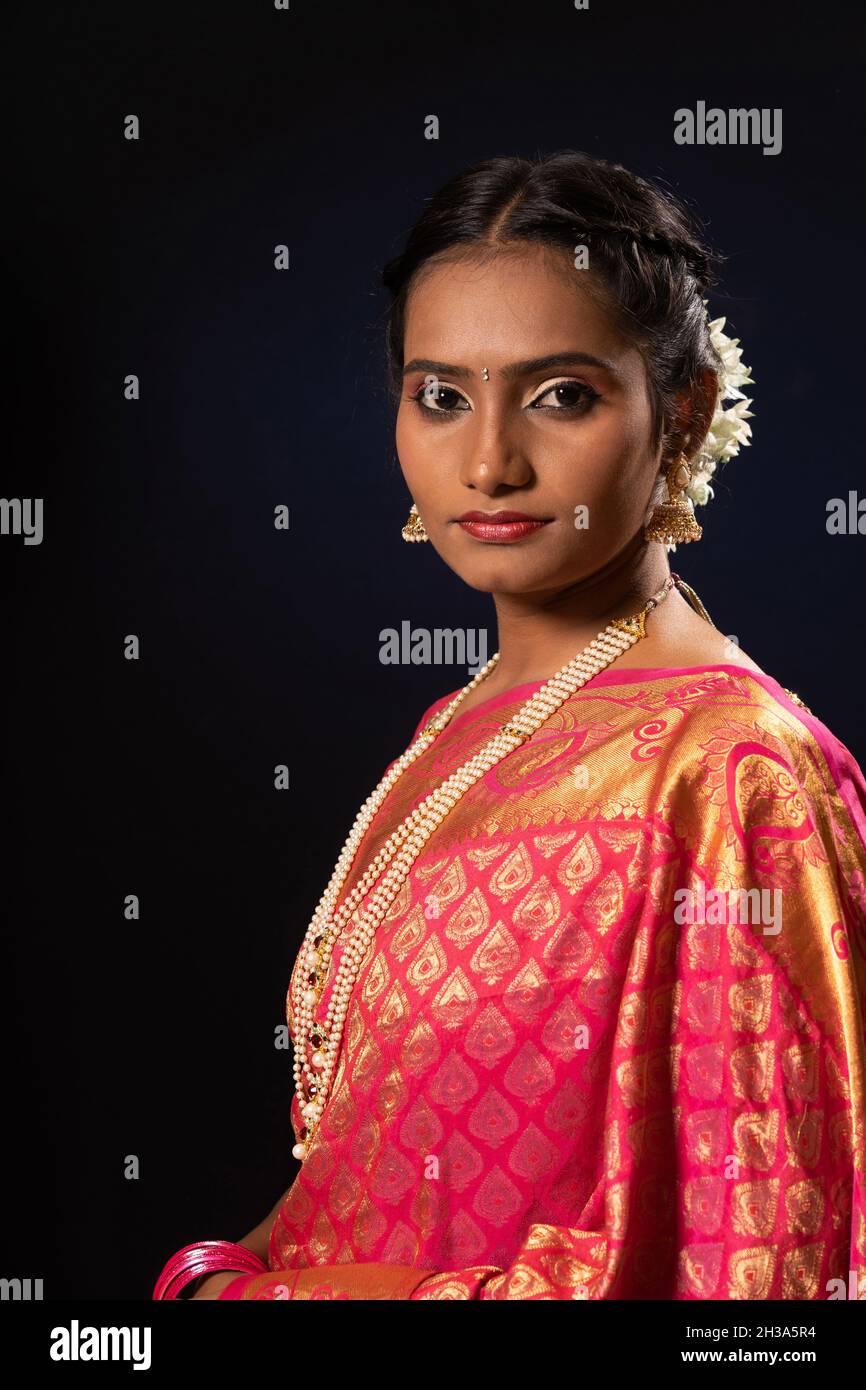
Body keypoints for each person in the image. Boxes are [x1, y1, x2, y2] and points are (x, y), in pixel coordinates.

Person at [157, 150, 866, 1300]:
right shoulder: (458, 728)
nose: (488, 462)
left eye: (561, 395)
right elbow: (356, 1163)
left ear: (678, 411)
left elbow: (765, 1280)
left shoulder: (736, 770)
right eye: (440, 396)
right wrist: (218, 1277)